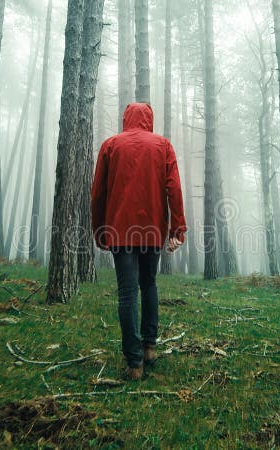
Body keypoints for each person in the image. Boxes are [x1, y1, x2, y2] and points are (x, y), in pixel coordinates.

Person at [91, 102, 187, 380]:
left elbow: (98, 192)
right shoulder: (163, 146)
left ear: (125, 118)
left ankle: (134, 364)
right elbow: (174, 189)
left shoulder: (111, 145)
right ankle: (149, 348)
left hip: (120, 229)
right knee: (149, 284)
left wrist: (99, 229)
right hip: (152, 229)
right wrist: (177, 228)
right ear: (150, 119)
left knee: (128, 293)